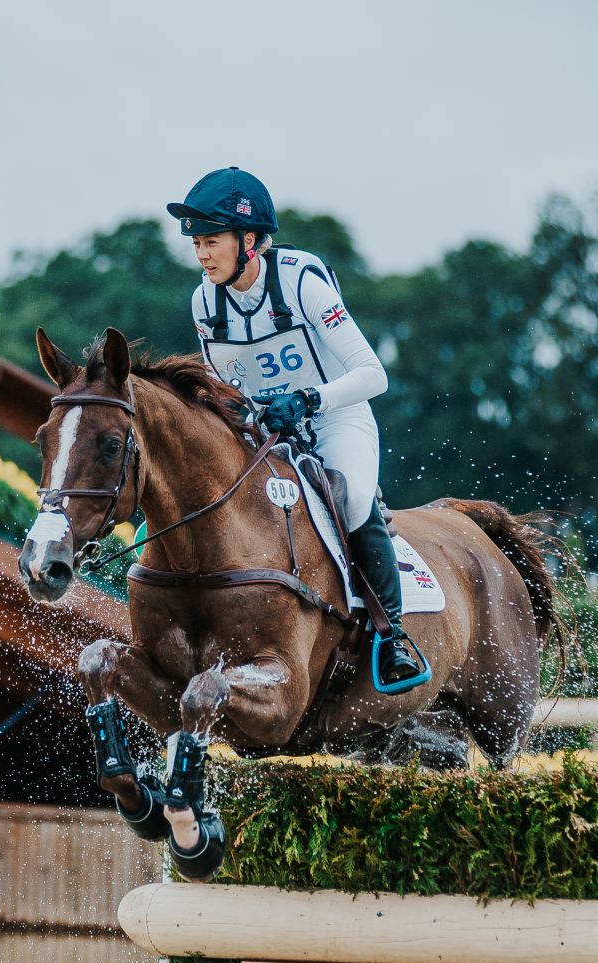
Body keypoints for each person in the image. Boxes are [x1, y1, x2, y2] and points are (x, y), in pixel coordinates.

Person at [166, 166, 422, 687]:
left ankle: (390, 634)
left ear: (251, 239)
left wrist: (308, 399)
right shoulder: (204, 302)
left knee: (349, 500)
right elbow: (222, 386)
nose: (202, 254)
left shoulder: (302, 281)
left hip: (336, 415)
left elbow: (373, 375)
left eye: (211, 241)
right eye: (197, 243)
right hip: (268, 430)